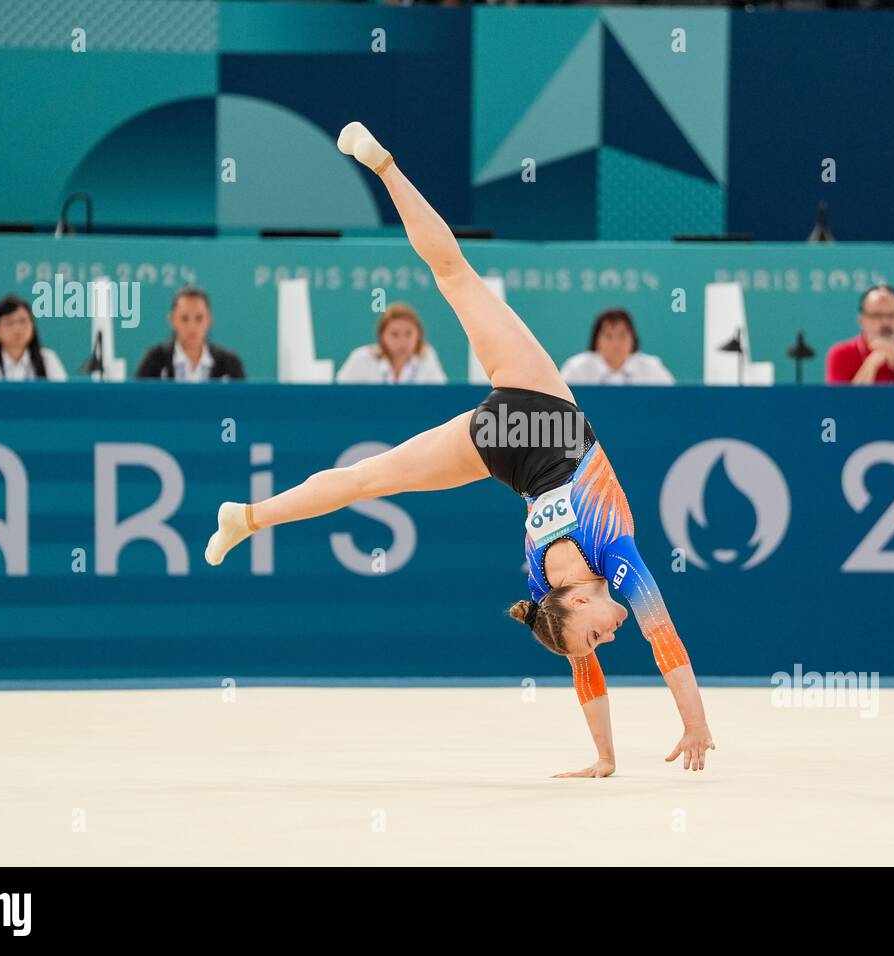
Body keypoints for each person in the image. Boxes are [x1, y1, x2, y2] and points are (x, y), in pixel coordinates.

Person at [206, 123, 713, 777]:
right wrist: (665, 736)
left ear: (578, 601)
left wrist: (630, 749)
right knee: (375, 455)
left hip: (524, 425)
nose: (608, 636)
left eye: (596, 634)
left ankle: (249, 517)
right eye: (599, 637)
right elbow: (642, 643)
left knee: (449, 285)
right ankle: (246, 517)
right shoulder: (582, 570)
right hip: (520, 430)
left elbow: (620, 649)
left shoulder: (581, 578)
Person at [825, 286, 894, 385]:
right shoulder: (841, 354)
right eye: (877, 315)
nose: (885, 322)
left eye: (892, 315)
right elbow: (842, 404)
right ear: (861, 320)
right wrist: (872, 363)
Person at [134, 285, 246, 381]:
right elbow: (137, 399)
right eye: (184, 318)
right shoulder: (155, 360)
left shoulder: (230, 363)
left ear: (209, 320)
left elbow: (243, 401)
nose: (192, 326)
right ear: (172, 320)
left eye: (199, 318)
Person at [335, 302, 447, 383]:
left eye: (409, 333)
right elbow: (341, 396)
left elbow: (439, 397)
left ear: (418, 334)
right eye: (394, 334)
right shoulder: (362, 358)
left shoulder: (426, 357)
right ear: (382, 336)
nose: (402, 341)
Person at [559, 309, 675, 385]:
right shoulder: (576, 369)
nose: (616, 343)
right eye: (608, 336)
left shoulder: (651, 368)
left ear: (633, 339)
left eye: (622, 335)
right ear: (596, 340)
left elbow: (672, 400)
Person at [0, 294, 67, 381]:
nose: (17, 329)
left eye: (23, 321)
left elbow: (63, 398)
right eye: (9, 323)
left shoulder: (47, 360)